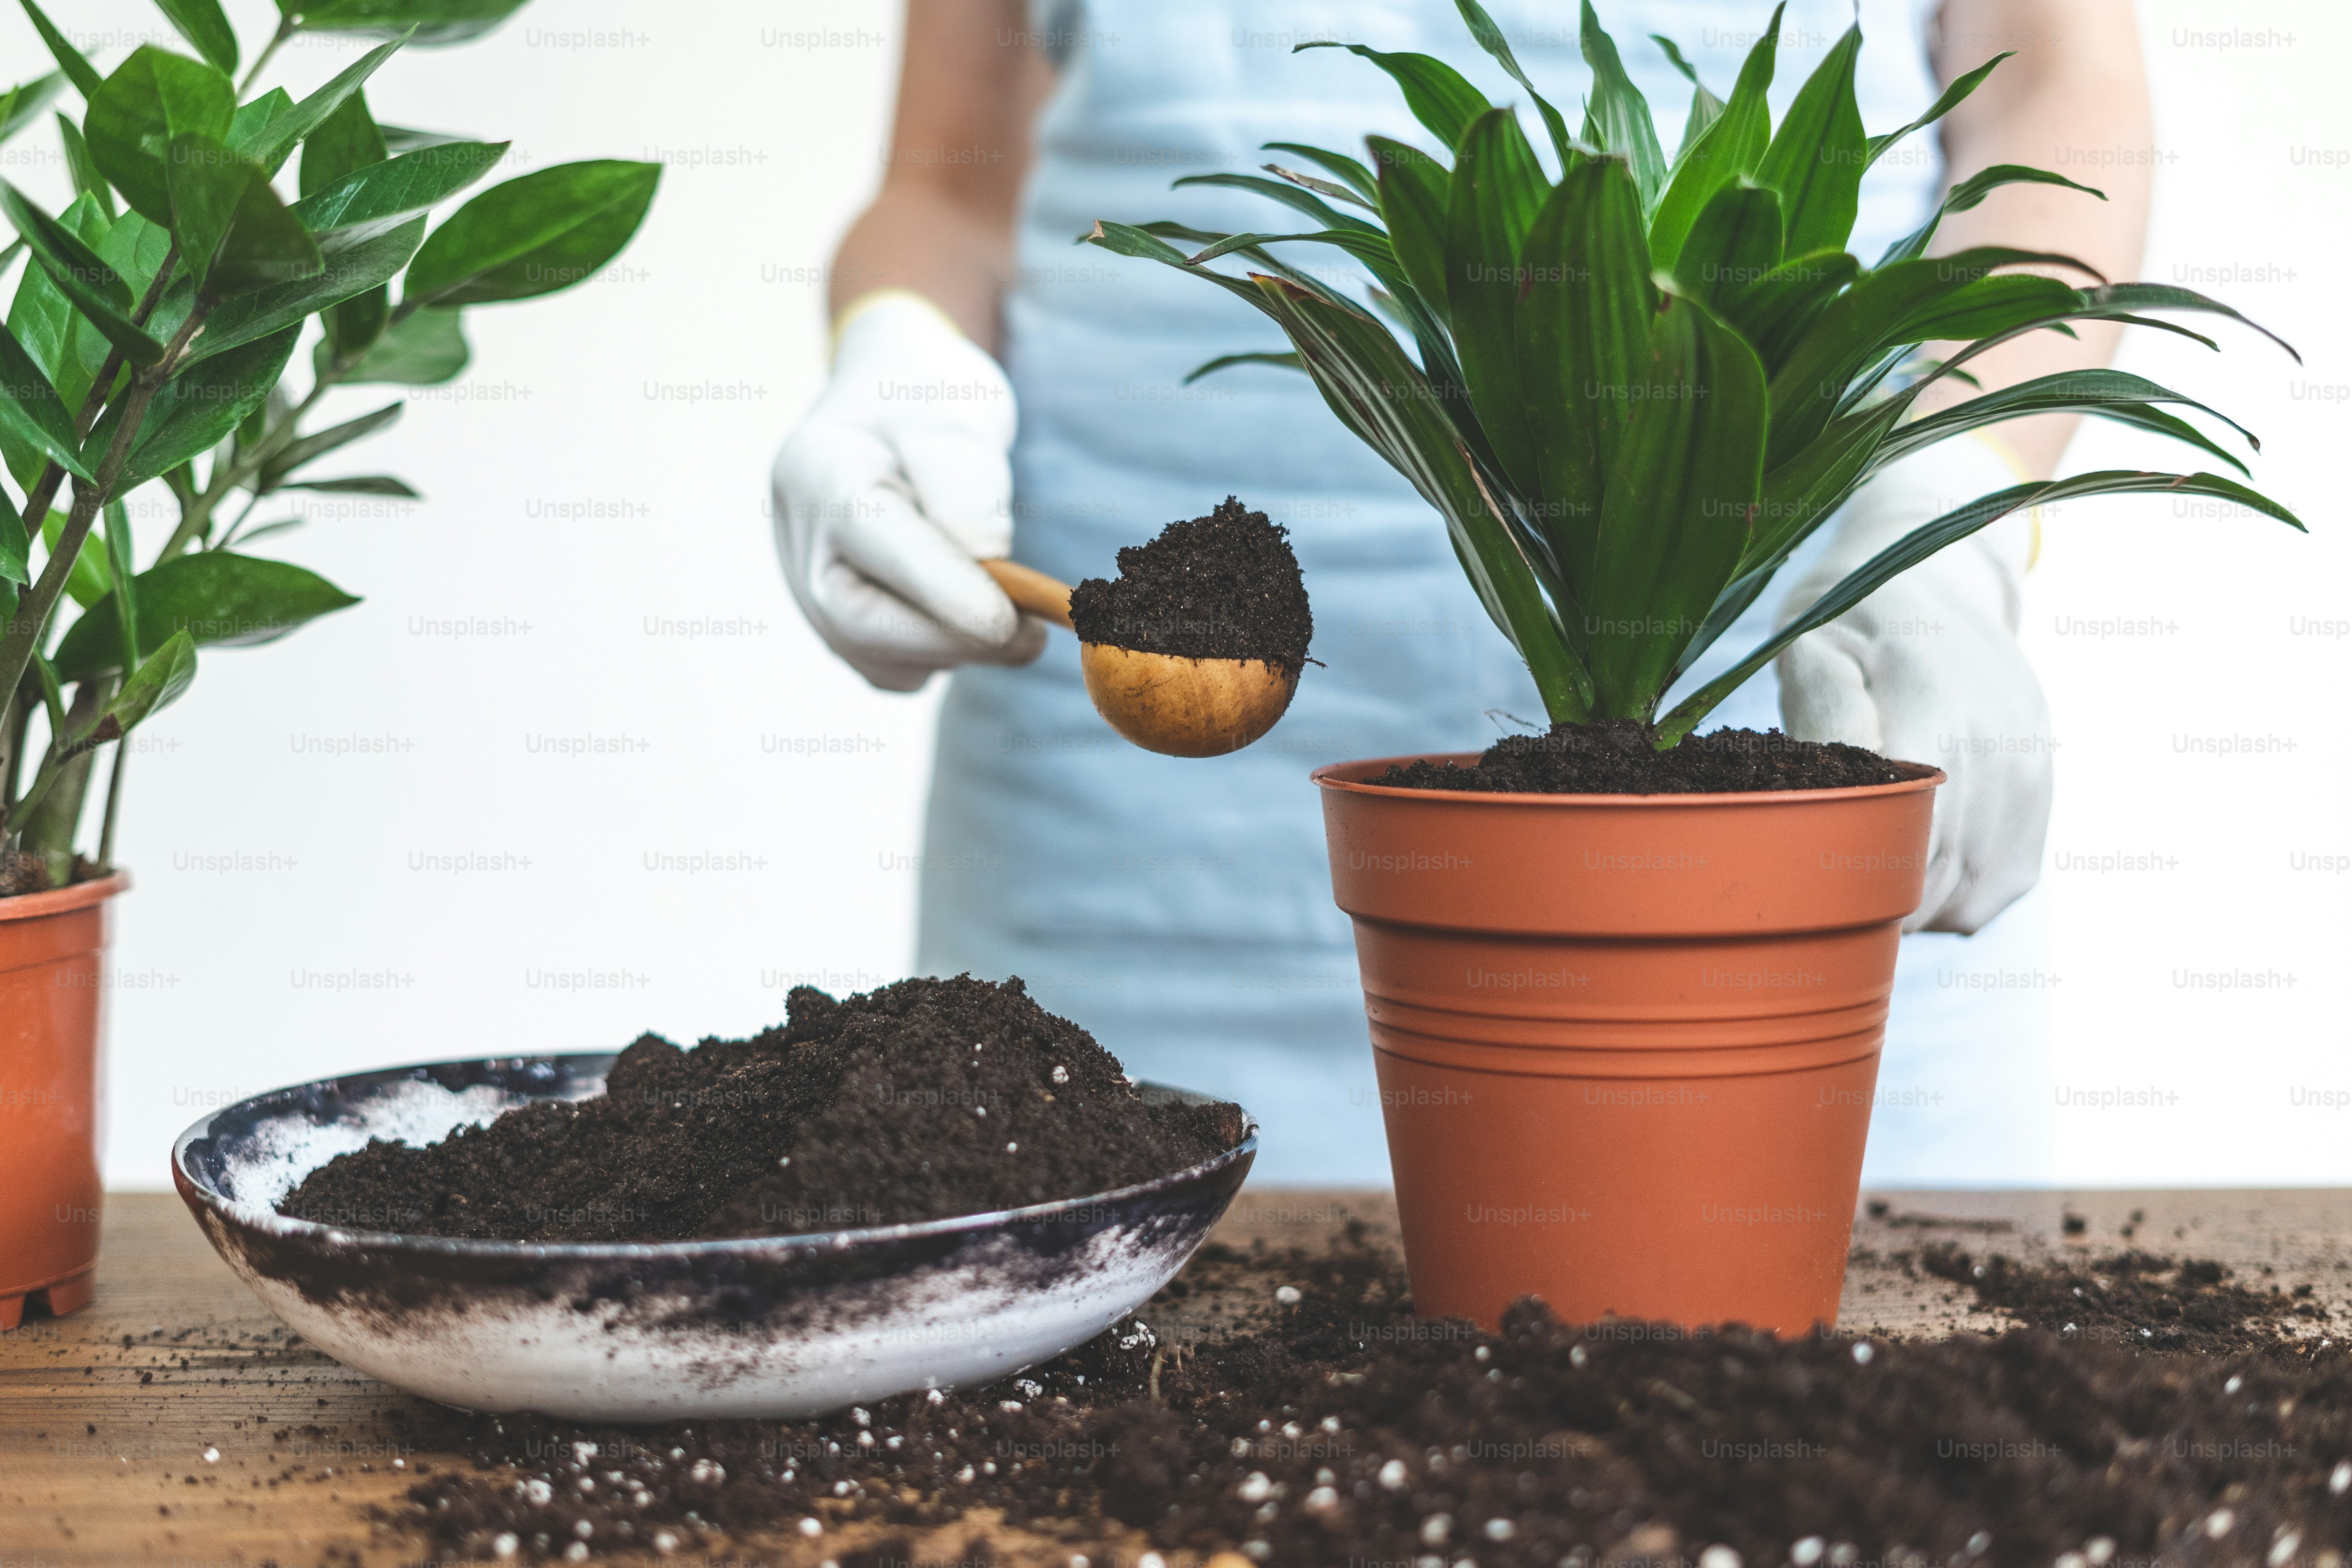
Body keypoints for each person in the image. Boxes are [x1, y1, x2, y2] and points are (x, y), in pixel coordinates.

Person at [771, 0, 2152, 1186]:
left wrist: (1950, 503)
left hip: (1769, 842)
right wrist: (902, 364)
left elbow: (2052, 82)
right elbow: (949, 183)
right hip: (1123, 840)